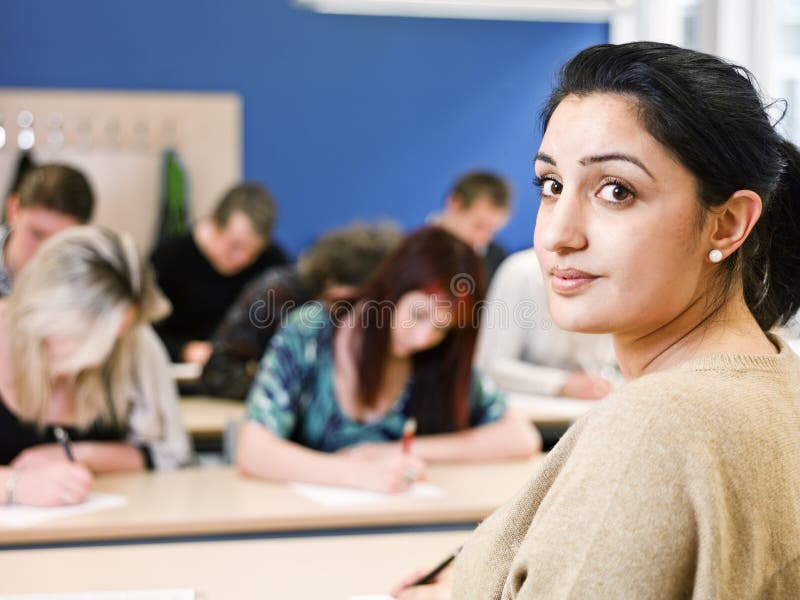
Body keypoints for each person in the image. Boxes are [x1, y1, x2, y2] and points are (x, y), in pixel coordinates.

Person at [393, 42, 800, 598]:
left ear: (727, 223)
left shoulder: (656, 425)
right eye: (551, 185)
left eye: (616, 191)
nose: (559, 234)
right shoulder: (777, 374)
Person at [237, 227, 539, 493]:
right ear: (392, 290)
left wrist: (389, 451)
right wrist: (358, 474)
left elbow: (521, 437)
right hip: (302, 523)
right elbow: (253, 449)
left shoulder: (438, 357)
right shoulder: (311, 330)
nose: (423, 339)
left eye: (442, 327)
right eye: (418, 315)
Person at [0, 226, 192, 507]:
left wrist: (79, 454)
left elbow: (170, 454)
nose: (97, 360)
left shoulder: (135, 342)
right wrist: (15, 484)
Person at [200, 222, 403, 399]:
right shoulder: (279, 294)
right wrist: (290, 388)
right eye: (344, 305)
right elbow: (218, 372)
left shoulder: (389, 309)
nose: (354, 318)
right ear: (327, 285)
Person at [151, 182, 289, 366]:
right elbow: (144, 335)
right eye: (235, 246)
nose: (243, 258)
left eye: (253, 252)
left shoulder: (272, 262)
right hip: (185, 379)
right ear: (214, 223)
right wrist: (184, 349)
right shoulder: (169, 259)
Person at [475, 248, 617, 398]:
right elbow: (490, 365)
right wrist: (560, 384)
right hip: (530, 410)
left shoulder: (614, 276)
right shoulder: (520, 271)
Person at [0, 163, 94, 297]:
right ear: (13, 210)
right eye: (37, 234)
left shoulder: (87, 282)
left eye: (61, 241)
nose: (45, 251)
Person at [432, 171, 511, 281]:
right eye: (479, 226)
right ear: (454, 203)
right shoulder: (411, 251)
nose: (484, 239)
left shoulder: (497, 258)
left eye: (493, 230)